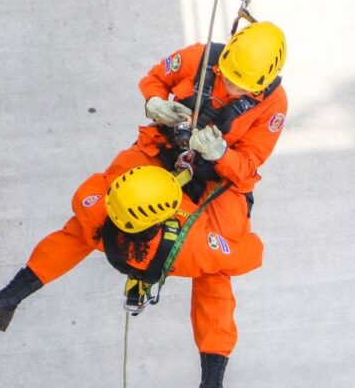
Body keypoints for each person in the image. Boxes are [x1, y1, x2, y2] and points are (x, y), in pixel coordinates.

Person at [0, 166, 263, 388]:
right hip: (212, 194)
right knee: (215, 281)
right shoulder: (192, 246)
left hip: (130, 226)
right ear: (161, 221)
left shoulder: (98, 211)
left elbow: (104, 181)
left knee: (75, 234)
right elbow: (248, 254)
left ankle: (6, 300)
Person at [103, 20, 288, 242]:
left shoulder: (273, 105)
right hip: (166, 147)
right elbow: (157, 78)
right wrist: (155, 102)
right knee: (113, 196)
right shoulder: (200, 58)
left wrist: (220, 153)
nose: (232, 87)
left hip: (216, 175)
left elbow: (248, 165)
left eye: (242, 87)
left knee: (224, 240)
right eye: (228, 78)